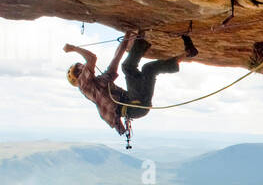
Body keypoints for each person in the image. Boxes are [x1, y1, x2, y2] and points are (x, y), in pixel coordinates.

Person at [64, 30, 195, 137]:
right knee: (136, 68)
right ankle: (141, 37)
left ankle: (187, 52)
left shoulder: (100, 84)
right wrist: (73, 48)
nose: (82, 67)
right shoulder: (84, 86)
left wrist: (126, 39)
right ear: (77, 78)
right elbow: (92, 58)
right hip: (134, 105)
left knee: (146, 69)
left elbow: (115, 61)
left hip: (137, 105)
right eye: (78, 69)